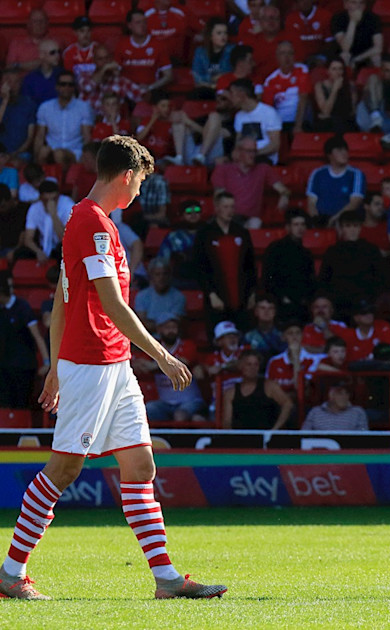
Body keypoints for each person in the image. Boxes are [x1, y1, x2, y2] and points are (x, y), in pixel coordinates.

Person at [0, 135, 226, 600]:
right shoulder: (93, 224)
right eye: (141, 181)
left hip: (110, 363)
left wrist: (53, 365)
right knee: (62, 471)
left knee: (140, 465)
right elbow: (112, 304)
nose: (140, 191)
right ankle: (10, 572)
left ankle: (166, 580)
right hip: (93, 363)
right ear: (126, 175)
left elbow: (61, 301)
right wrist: (162, 355)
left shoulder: (82, 220)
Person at [192, 191, 257, 332]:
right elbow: (200, 266)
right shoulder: (205, 233)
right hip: (217, 299)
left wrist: (252, 293)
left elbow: (250, 265)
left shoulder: (241, 232)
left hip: (242, 299)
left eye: (232, 207)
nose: (229, 211)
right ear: (217, 208)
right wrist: (211, 294)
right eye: (226, 207)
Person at [134, 313, 207, 422]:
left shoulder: (187, 345)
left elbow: (183, 361)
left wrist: (154, 365)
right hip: (165, 403)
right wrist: (156, 365)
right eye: (167, 328)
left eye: (174, 327)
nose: (171, 331)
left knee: (180, 415)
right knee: (145, 410)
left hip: (189, 401)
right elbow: (139, 365)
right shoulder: (153, 348)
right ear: (159, 330)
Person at [211, 135, 291, 228]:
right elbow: (218, 197)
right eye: (249, 151)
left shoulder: (263, 169)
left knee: (255, 222)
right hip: (227, 217)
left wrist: (284, 195)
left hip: (249, 220)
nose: (252, 155)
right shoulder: (223, 169)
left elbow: (283, 189)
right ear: (239, 152)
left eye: (254, 151)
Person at [319, 209, 385, 320]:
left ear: (360, 227)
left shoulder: (371, 250)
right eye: (348, 226)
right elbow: (324, 278)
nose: (352, 230)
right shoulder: (332, 252)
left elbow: (380, 277)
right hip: (339, 305)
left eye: (355, 226)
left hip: (366, 303)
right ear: (341, 228)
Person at [0, 272, 50, 409]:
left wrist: (46, 361)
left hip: (23, 367)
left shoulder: (22, 307)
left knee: (21, 404)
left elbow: (37, 336)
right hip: (4, 367)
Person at [262, 209, 317, 321]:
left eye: (302, 224)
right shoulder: (275, 248)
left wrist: (305, 299)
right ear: (288, 227)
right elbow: (268, 276)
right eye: (296, 224)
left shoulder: (306, 253)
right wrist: (282, 297)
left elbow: (310, 280)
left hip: (302, 305)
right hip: (279, 305)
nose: (300, 228)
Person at [33, 71, 93, 169]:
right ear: (57, 87)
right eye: (63, 84)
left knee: (59, 154)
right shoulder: (45, 107)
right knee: (43, 152)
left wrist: (86, 157)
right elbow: (40, 136)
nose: (66, 88)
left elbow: (86, 136)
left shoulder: (83, 107)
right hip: (51, 149)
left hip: (74, 151)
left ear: (74, 87)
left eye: (70, 85)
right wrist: (35, 157)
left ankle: (61, 182)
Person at [222, 350, 295, 430]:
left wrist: (274, 430)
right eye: (248, 364)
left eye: (256, 364)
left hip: (265, 437)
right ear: (240, 366)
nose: (252, 368)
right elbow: (227, 422)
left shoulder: (269, 386)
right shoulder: (231, 393)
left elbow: (288, 404)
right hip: (241, 439)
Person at [306, 135, 366, 227]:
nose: (344, 153)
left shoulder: (356, 174)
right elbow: (311, 202)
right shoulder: (317, 173)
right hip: (322, 220)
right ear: (329, 154)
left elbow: (355, 202)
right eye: (339, 150)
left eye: (345, 150)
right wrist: (316, 221)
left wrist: (336, 218)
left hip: (345, 222)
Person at [230, 78, 282, 164]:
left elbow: (274, 146)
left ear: (242, 95)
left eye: (232, 94)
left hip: (264, 158)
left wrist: (252, 154)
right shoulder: (239, 116)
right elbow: (238, 142)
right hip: (244, 160)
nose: (230, 98)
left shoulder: (269, 112)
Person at [22, 180, 74, 262]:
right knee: (22, 253)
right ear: (40, 198)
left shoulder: (68, 205)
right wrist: (38, 251)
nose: (50, 202)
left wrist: (53, 215)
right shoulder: (35, 208)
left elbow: (66, 239)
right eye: (47, 200)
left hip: (61, 246)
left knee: (62, 250)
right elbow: (28, 238)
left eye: (54, 199)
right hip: (43, 245)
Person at [134, 258, 186, 334]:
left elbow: (174, 326)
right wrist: (165, 327)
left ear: (170, 276)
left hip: (170, 339)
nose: (161, 278)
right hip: (148, 338)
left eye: (165, 274)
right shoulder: (141, 296)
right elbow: (141, 323)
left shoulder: (179, 297)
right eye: (157, 274)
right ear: (151, 276)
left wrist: (155, 326)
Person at [331, 0, 383, 69]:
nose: (358, 6)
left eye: (361, 3)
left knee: (376, 57)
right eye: (353, 2)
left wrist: (357, 59)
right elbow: (345, 47)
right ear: (345, 5)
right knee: (345, 55)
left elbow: (378, 48)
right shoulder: (338, 18)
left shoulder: (373, 18)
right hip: (346, 55)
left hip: (365, 54)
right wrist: (353, 22)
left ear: (365, 6)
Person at [311, 57, 358, 134]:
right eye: (334, 69)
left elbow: (352, 110)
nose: (338, 72)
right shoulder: (319, 86)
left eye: (340, 69)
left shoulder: (350, 85)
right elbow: (325, 111)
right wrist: (334, 90)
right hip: (327, 123)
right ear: (328, 71)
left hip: (345, 121)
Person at [191, 16, 234, 95]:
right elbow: (197, 76)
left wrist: (211, 81)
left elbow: (230, 75)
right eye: (219, 33)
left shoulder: (232, 50)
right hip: (204, 89)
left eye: (225, 33)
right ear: (210, 36)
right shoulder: (200, 52)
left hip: (227, 90)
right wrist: (213, 79)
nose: (223, 36)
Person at [302, 380, 368, 430]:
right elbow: (304, 435)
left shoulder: (358, 412)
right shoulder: (315, 412)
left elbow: (364, 438)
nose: (344, 396)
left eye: (347, 393)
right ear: (331, 395)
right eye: (340, 393)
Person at [242, 295, 284, 359]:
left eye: (270, 308)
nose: (266, 311)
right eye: (262, 308)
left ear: (274, 312)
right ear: (256, 312)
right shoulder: (248, 337)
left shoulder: (282, 335)